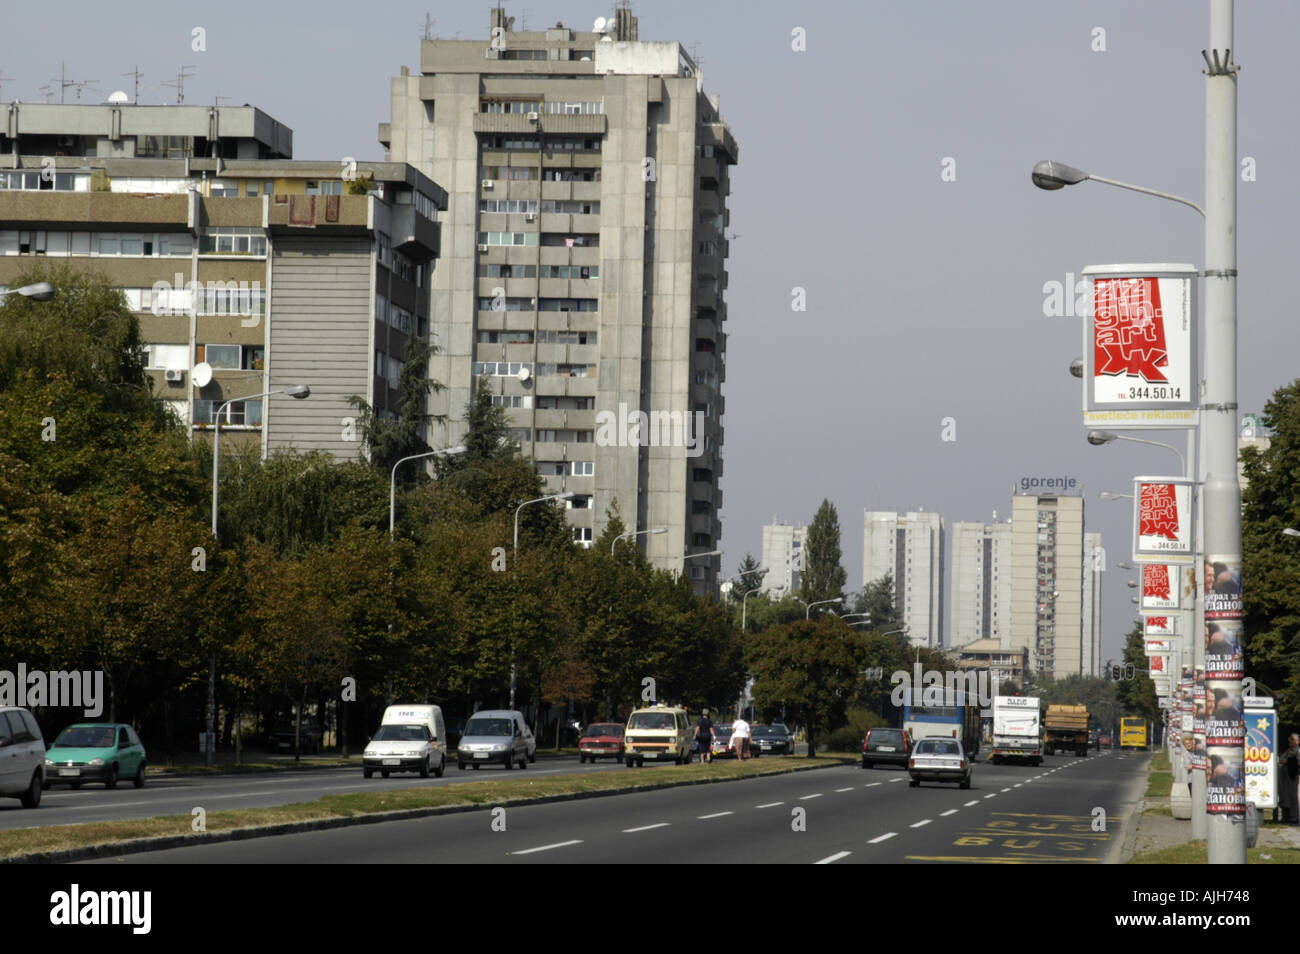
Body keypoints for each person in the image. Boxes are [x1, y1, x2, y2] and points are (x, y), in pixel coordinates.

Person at [1281, 733, 1300, 825]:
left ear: (1297, 741)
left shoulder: (1298, 751)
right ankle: (1286, 817)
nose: (1290, 741)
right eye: (1290, 739)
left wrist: (1288, 761)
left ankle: (1294, 817)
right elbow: (1281, 760)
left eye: (1293, 739)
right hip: (1286, 776)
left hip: (1293, 775)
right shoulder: (1287, 751)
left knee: (1292, 796)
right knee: (1285, 795)